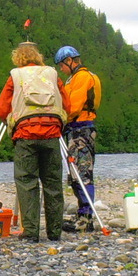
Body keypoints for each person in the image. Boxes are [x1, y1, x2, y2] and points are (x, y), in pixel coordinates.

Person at [0, 42, 68, 242]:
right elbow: (66, 103)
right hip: (52, 134)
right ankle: (54, 232)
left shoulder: (16, 76)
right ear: (38, 56)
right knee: (52, 183)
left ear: (18, 58)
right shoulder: (52, 74)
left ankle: (31, 232)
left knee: (27, 182)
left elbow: (1, 107)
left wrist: (11, 119)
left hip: (25, 135)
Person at [54, 45, 101, 230]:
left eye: (61, 65)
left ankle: (86, 218)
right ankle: (83, 215)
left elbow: (73, 107)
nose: (61, 69)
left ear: (69, 60)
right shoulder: (77, 77)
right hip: (76, 130)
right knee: (77, 174)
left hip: (81, 130)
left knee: (82, 174)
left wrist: (59, 119)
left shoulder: (82, 77)